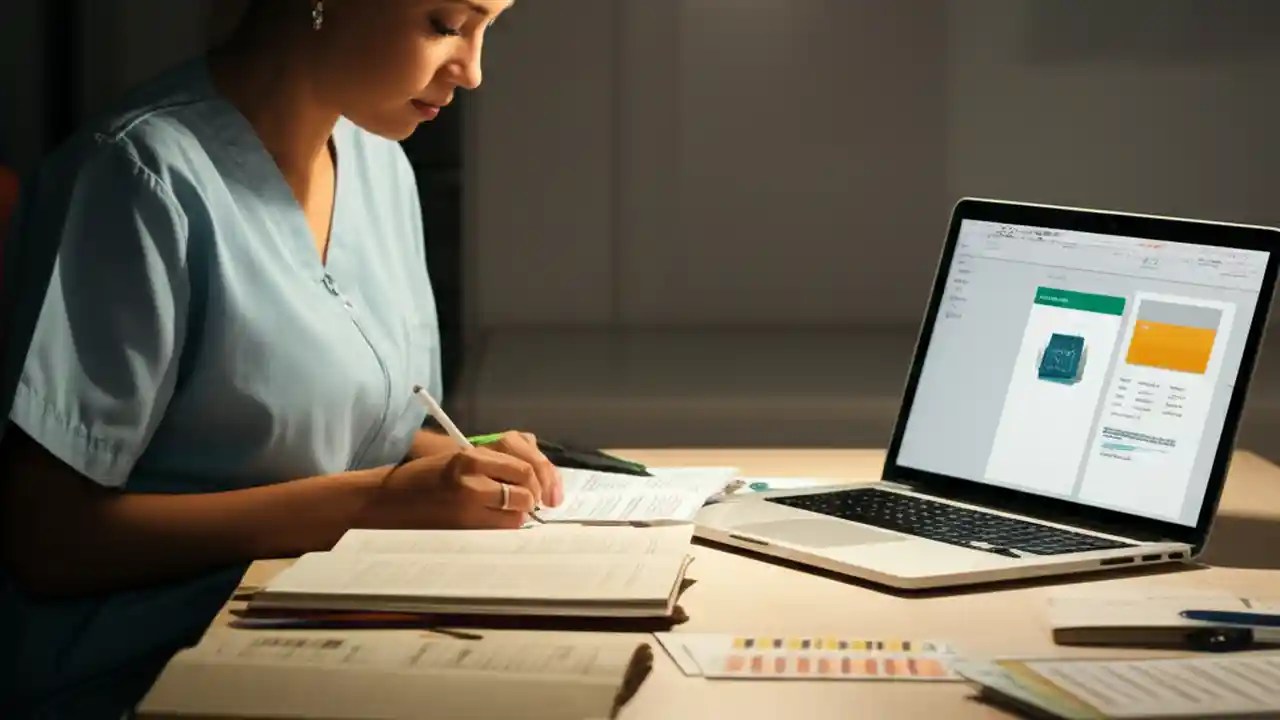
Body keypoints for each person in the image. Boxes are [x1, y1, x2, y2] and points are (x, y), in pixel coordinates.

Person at [0, 0, 556, 715]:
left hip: (320, 635)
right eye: (446, 24)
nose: (473, 72)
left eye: (489, 31)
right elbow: (48, 537)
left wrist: (462, 464)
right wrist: (373, 503)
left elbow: (344, 431)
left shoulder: (379, 163)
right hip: (140, 673)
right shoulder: (137, 177)